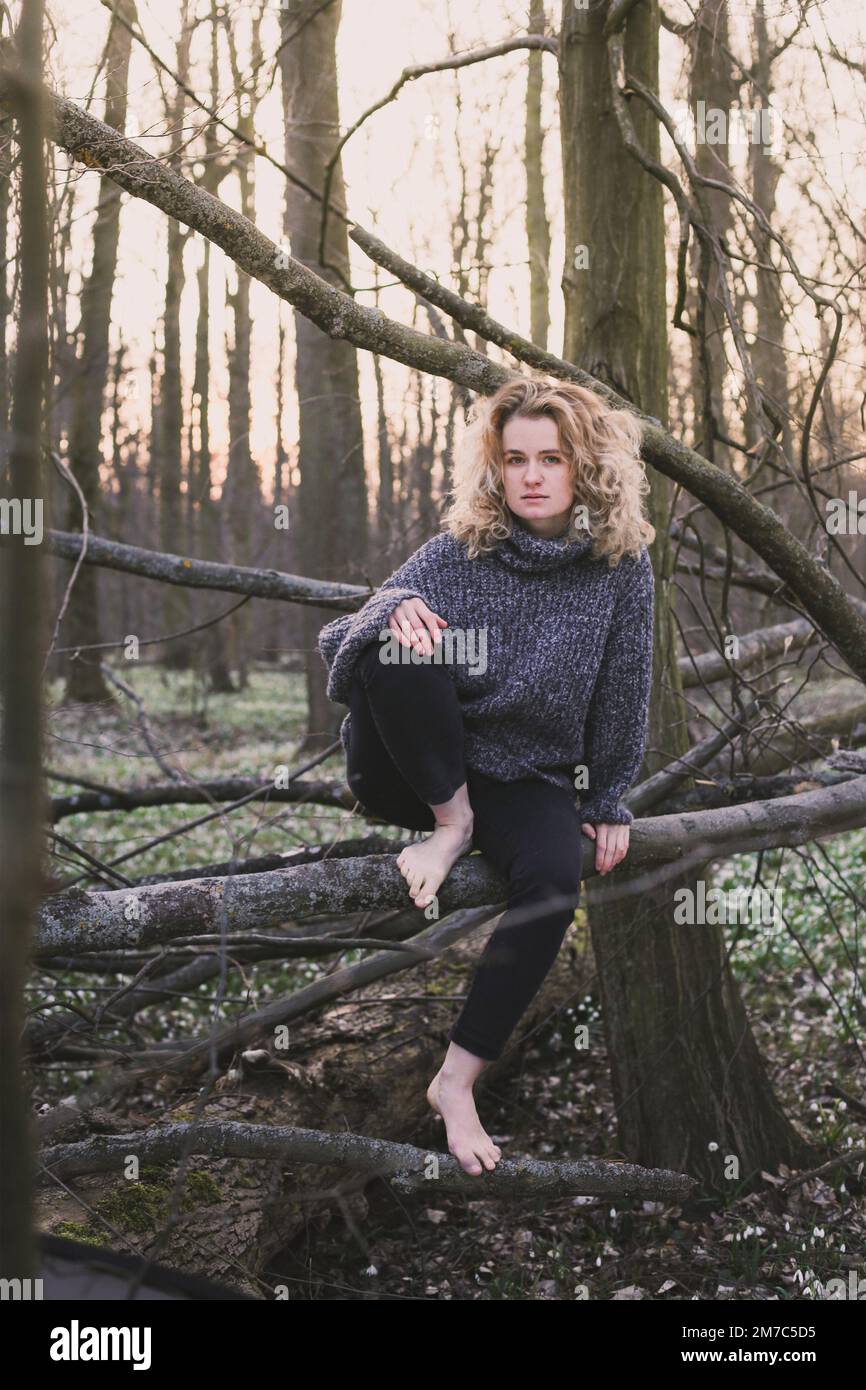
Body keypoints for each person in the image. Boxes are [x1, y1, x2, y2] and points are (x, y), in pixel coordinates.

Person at [317, 375, 655, 1176]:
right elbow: (339, 643)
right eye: (515, 459)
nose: (531, 475)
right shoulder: (460, 552)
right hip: (408, 765)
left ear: (587, 467)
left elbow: (624, 687)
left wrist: (608, 797)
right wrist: (387, 612)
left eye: (551, 458)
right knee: (398, 638)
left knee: (550, 884)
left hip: (523, 773)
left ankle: (456, 1080)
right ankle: (451, 826)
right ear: (495, 468)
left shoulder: (620, 567)